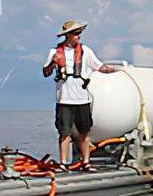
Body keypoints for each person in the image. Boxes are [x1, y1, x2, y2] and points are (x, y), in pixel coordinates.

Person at [41, 21, 119, 167]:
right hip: (64, 100)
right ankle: (63, 163)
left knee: (84, 133)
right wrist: (53, 62)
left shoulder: (86, 51)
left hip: (82, 99)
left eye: (79, 33)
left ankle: (86, 162)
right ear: (67, 35)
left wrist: (114, 70)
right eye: (76, 33)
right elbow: (46, 72)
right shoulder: (54, 52)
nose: (79, 36)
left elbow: (99, 66)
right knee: (64, 133)